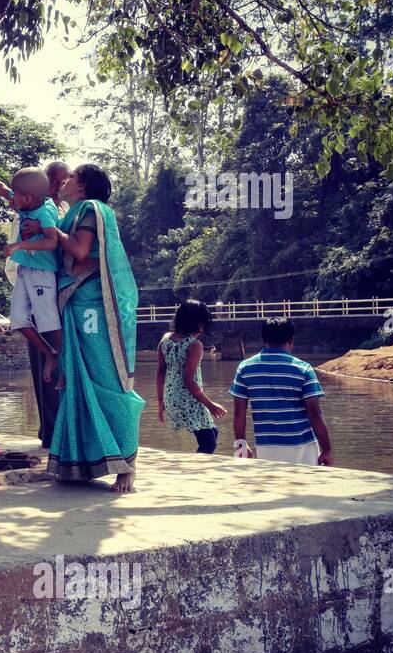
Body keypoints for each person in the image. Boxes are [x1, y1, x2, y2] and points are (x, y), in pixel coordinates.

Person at [23, 163, 144, 492]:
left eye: (72, 177)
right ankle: (81, 463)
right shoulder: (72, 211)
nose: (64, 181)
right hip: (75, 306)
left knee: (107, 382)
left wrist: (54, 234)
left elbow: (78, 249)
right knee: (76, 382)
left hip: (92, 306)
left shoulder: (91, 208)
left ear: (83, 185)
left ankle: (127, 465)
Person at [0, 156, 64, 383]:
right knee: (19, 319)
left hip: (42, 272)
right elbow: (1, 188)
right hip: (25, 270)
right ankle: (49, 354)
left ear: (28, 198)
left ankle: (66, 364)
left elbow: (52, 241)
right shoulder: (28, 201)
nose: (11, 198)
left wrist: (20, 245)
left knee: (49, 322)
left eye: (16, 195)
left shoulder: (45, 212)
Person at [230, 317, 333, 466]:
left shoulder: (245, 368)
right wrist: (327, 450)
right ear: (291, 341)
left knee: (273, 487)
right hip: (303, 445)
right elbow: (315, 413)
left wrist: (241, 445)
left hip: (267, 446)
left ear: (263, 339)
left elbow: (239, 412)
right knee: (306, 487)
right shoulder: (303, 369)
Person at [157, 299, 228, 454]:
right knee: (209, 442)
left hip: (171, 397)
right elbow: (188, 381)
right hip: (188, 398)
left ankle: (198, 466)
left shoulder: (165, 339)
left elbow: (161, 371)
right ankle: (195, 470)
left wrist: (161, 401)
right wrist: (211, 405)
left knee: (212, 434)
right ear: (197, 323)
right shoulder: (194, 345)